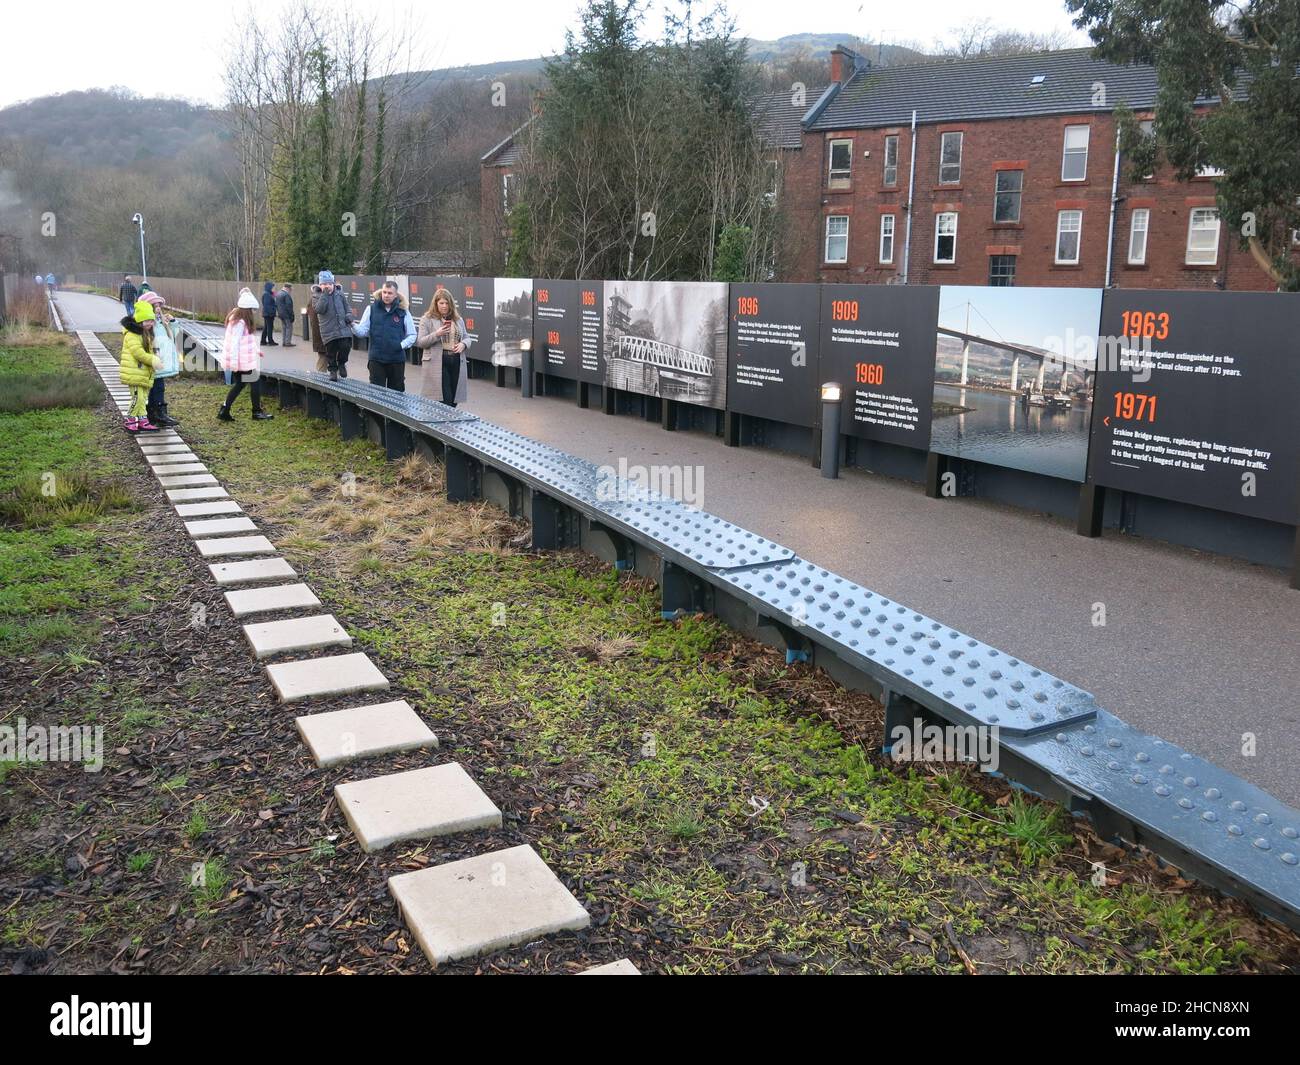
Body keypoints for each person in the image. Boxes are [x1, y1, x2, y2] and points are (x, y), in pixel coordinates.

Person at [217, 289, 273, 422]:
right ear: (247, 309)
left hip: (242, 360)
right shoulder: (240, 322)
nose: (254, 313)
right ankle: (256, 412)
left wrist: (255, 350)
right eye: (253, 310)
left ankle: (224, 409)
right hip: (241, 361)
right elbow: (235, 343)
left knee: (240, 384)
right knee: (255, 383)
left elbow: (247, 339)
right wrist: (235, 363)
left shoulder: (238, 319)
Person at [352, 280, 416, 391]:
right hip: (376, 359)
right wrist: (351, 324)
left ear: (396, 295)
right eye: (384, 292)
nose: (386, 295)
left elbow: (412, 335)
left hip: (396, 360)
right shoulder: (371, 309)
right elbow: (362, 331)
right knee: (376, 395)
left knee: (397, 396)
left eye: (390, 293)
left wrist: (400, 345)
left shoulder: (404, 312)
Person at [416, 287, 471, 407]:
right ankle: (445, 424)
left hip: (456, 360)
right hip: (438, 362)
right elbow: (421, 342)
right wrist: (437, 334)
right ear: (435, 303)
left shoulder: (458, 319)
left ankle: (448, 423)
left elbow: (467, 337)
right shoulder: (427, 319)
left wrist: (463, 344)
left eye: (447, 303)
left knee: (454, 399)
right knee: (445, 398)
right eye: (441, 303)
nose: (444, 306)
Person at [138, 291, 180, 428]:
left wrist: (172, 322)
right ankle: (157, 414)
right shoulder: (149, 324)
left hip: (161, 362)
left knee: (158, 387)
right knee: (156, 387)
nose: (157, 308)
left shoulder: (161, 322)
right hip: (154, 361)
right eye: (154, 305)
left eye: (158, 305)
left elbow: (172, 336)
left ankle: (156, 413)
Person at [119, 301, 163, 433]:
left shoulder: (146, 333)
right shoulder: (132, 334)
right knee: (137, 398)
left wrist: (157, 356)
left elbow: (149, 351)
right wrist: (154, 360)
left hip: (143, 372)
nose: (150, 323)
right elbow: (138, 353)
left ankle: (143, 420)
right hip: (135, 372)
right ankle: (130, 420)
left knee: (143, 398)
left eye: (151, 320)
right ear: (139, 320)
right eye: (146, 321)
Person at [311, 270, 354, 381]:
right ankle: (333, 371)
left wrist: (349, 315)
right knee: (330, 352)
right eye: (324, 284)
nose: (327, 286)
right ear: (320, 285)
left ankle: (342, 363)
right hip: (328, 330)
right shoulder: (317, 296)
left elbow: (347, 307)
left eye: (330, 284)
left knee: (346, 346)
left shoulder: (340, 294)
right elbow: (319, 309)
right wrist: (324, 295)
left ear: (333, 284)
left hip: (343, 328)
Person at [276, 283, 296, 347]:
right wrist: (292, 315)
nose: (291, 291)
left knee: (284, 328)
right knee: (289, 328)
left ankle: (284, 341)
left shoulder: (278, 294)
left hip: (281, 314)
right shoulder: (286, 295)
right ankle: (287, 342)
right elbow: (289, 306)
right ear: (288, 288)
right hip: (286, 314)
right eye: (290, 289)